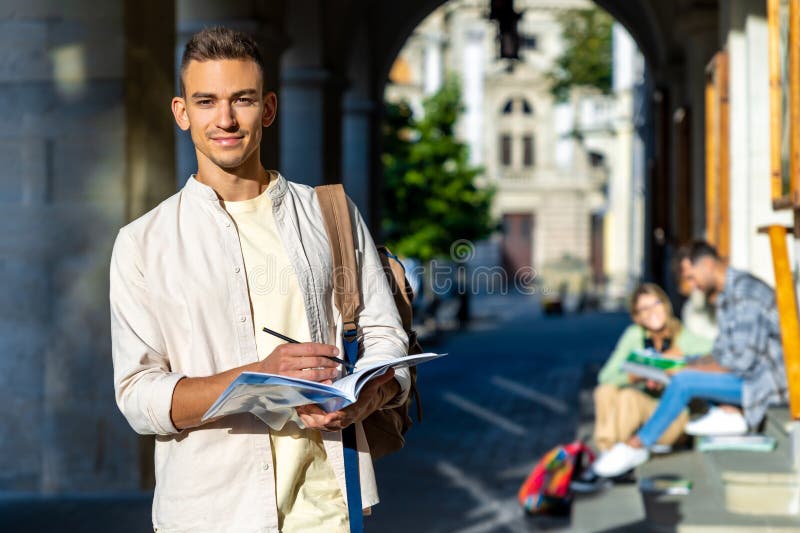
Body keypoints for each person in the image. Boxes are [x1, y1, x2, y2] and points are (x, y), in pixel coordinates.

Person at [110, 27, 410, 532]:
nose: (225, 119)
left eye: (242, 100)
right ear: (182, 113)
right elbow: (139, 397)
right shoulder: (143, 243)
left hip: (330, 508)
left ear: (267, 109)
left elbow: (385, 338)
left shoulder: (329, 213)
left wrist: (366, 396)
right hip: (209, 515)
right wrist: (258, 377)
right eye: (206, 101)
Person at [593, 241, 788, 477]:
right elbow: (720, 353)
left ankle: (638, 445)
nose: (692, 285)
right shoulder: (728, 294)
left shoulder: (745, 295)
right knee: (684, 371)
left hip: (767, 384)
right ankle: (728, 413)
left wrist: (684, 367)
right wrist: (683, 363)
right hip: (749, 377)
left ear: (706, 264)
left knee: (684, 380)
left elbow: (741, 363)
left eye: (692, 277)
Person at [593, 283, 713, 454]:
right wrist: (634, 377)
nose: (652, 312)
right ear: (637, 316)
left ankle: (609, 454)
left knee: (629, 397)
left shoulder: (682, 336)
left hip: (673, 416)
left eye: (656, 304)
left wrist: (682, 362)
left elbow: (714, 353)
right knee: (605, 391)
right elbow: (605, 376)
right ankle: (610, 451)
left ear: (665, 306)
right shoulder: (635, 335)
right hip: (643, 411)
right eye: (644, 309)